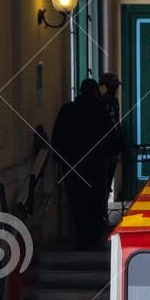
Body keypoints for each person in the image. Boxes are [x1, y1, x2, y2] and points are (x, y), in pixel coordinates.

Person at [51, 78, 114, 249]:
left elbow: (57, 136)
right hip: (96, 163)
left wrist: (60, 157)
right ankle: (95, 236)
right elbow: (111, 136)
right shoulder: (100, 111)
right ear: (95, 92)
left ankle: (83, 236)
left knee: (77, 200)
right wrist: (110, 155)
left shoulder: (68, 110)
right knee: (96, 199)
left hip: (73, 163)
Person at [99, 72, 123, 221]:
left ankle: (103, 213)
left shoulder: (113, 101)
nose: (115, 89)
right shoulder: (102, 102)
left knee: (106, 182)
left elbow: (116, 124)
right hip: (106, 148)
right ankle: (101, 213)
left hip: (112, 146)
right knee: (103, 183)